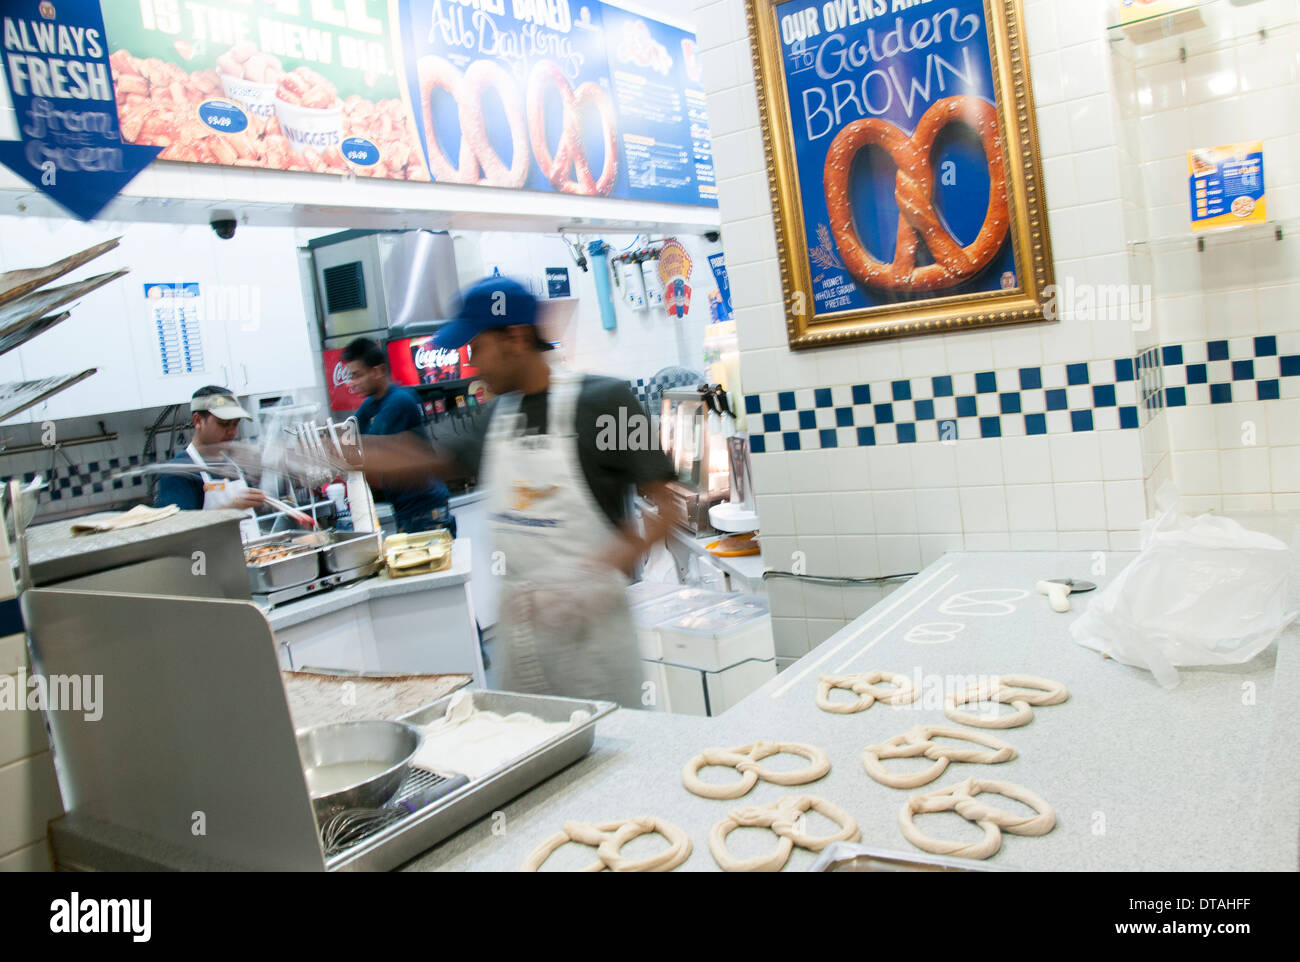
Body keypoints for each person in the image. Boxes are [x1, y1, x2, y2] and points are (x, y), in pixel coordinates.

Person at [357, 277, 676, 708]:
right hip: (521, 636)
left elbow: (669, 507)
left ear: (516, 337)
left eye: (477, 347)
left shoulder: (608, 402)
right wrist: (321, 453)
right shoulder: (493, 417)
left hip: (593, 633)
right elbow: (412, 456)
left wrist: (596, 575)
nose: (472, 364)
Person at [342, 337, 455, 536]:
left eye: (357, 375)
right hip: (406, 507)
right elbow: (348, 433)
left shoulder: (399, 401)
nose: (353, 382)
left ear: (377, 371)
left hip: (425, 509)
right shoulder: (373, 403)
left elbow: (369, 448)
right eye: (351, 376)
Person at [155, 386, 268, 513]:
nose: (232, 432)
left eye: (235, 424)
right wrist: (234, 506)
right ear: (198, 420)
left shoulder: (233, 464)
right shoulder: (179, 472)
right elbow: (177, 527)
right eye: (223, 424)